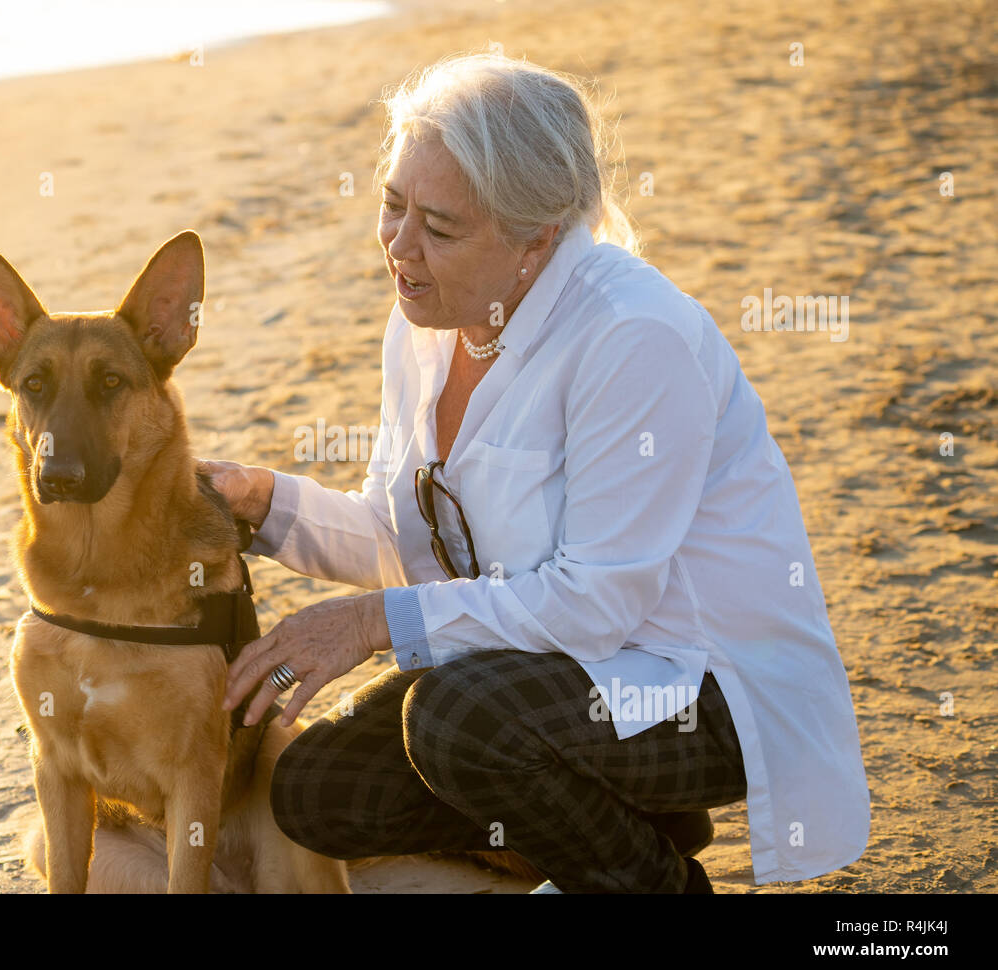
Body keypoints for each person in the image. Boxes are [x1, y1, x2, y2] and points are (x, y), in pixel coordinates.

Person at [203, 52, 870, 892]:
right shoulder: (427, 320)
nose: (400, 248)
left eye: (439, 227)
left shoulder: (634, 337)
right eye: (391, 206)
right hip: (553, 671)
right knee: (318, 787)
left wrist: (372, 624)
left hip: (704, 686)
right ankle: (630, 819)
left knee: (455, 721)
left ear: (536, 240)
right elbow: (398, 533)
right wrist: (264, 505)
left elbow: (596, 603)